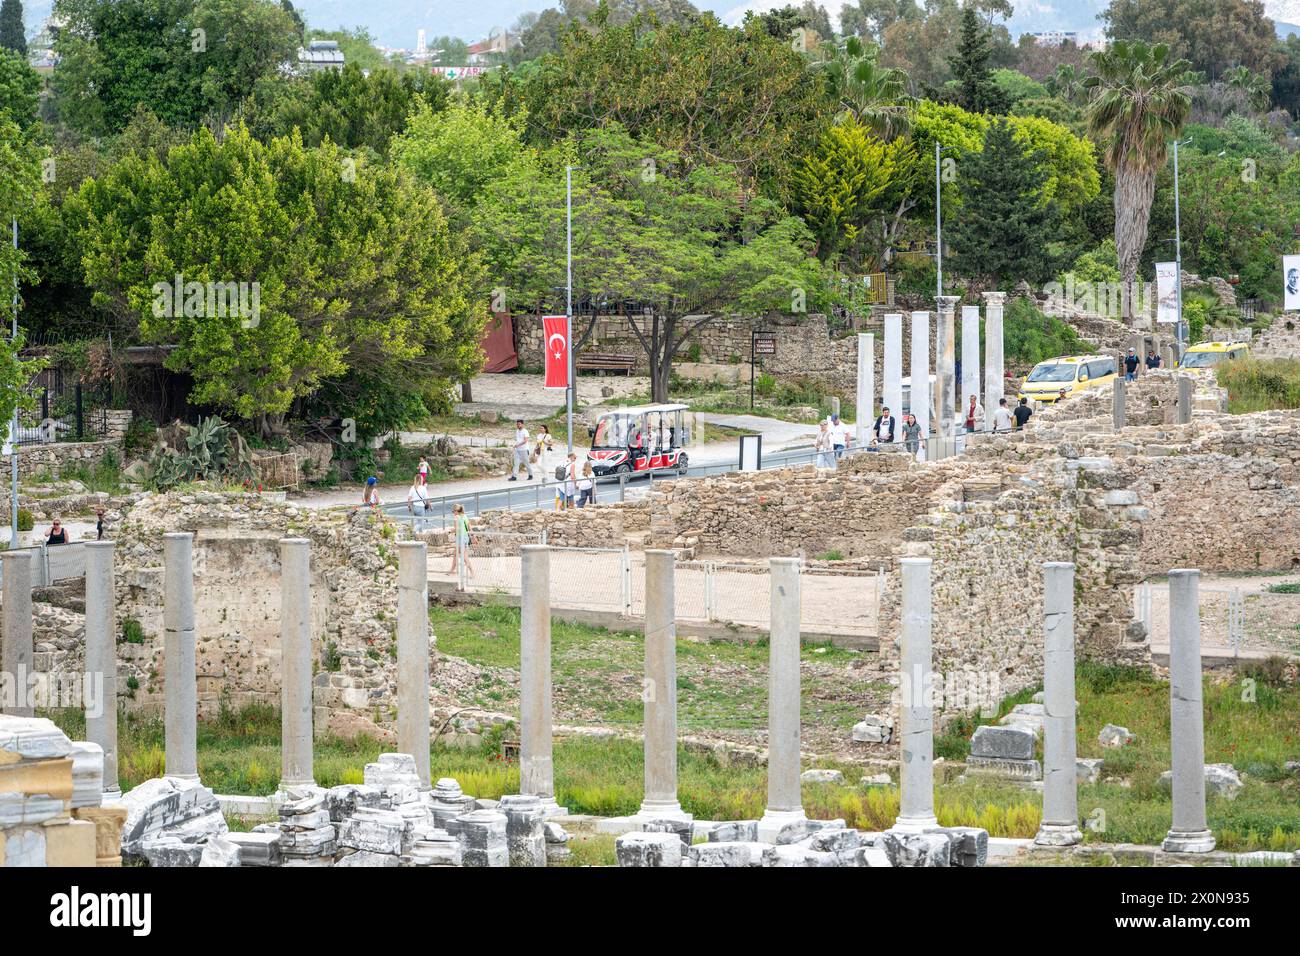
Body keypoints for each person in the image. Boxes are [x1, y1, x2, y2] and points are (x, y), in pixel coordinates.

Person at [448, 503, 474, 582]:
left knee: (464, 556)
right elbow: (469, 528)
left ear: (456, 511)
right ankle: (452, 570)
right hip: (465, 537)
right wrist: (473, 537)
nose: (453, 513)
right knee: (455, 553)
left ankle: (472, 572)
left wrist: (450, 531)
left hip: (460, 538)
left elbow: (456, 529)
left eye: (453, 511)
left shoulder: (456, 517)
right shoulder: (465, 516)